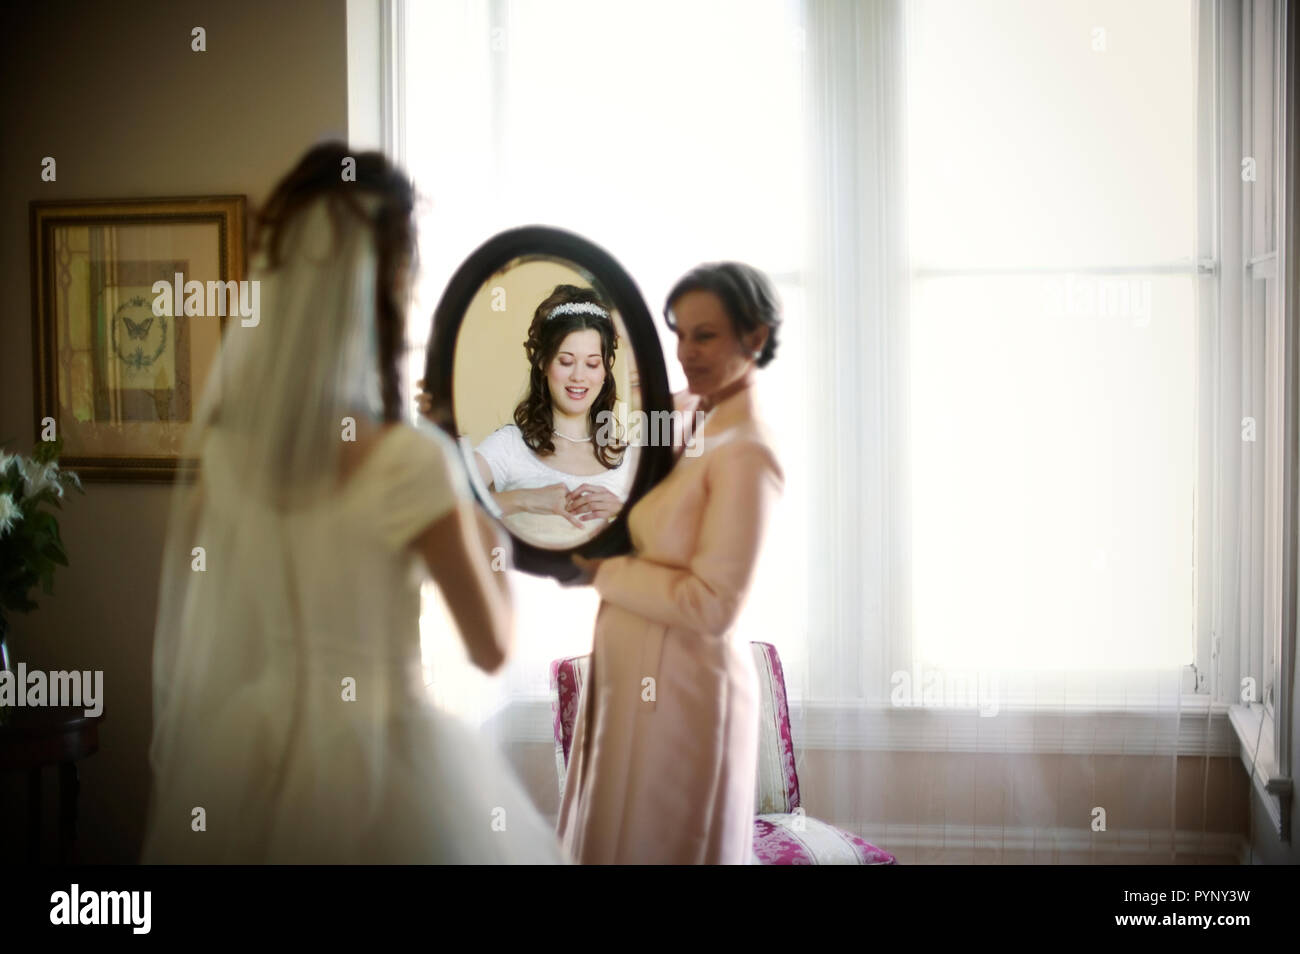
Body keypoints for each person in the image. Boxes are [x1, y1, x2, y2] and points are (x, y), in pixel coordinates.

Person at [140, 143, 565, 864]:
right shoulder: (411, 462)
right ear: (391, 280)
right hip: (392, 767)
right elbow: (490, 648)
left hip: (255, 756)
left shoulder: (223, 454)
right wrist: (489, 526)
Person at [556, 261, 785, 864]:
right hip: (626, 671)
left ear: (755, 337)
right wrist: (611, 509)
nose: (684, 351)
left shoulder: (749, 454)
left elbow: (712, 604)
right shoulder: (683, 414)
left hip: (683, 691)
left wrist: (599, 570)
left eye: (704, 335)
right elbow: (662, 517)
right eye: (678, 332)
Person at [472, 285, 636, 544]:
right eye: (566, 361)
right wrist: (524, 499)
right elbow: (444, 505)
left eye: (592, 364)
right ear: (543, 362)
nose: (579, 376)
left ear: (605, 370)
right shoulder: (509, 445)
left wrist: (625, 512)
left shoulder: (628, 459)